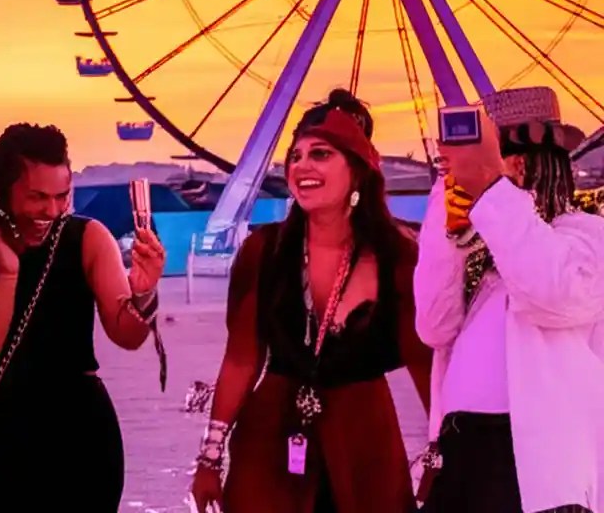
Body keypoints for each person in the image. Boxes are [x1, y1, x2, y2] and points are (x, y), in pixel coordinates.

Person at [189, 89, 432, 513]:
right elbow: (241, 360)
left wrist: (439, 455)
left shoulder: (400, 258)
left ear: (357, 172)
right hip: (270, 445)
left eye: (320, 154)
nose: (302, 166)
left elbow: (426, 365)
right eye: (296, 156)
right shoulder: (263, 252)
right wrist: (210, 457)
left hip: (365, 442)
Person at [0, 122, 167, 512]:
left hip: (82, 440)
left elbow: (126, 333)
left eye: (61, 196)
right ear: (0, 190)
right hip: (2, 441)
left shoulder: (87, 239)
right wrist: (7, 275)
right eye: (37, 197)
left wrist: (145, 291)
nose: (51, 211)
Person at [416, 86, 604, 513]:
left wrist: (491, 192)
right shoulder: (479, 257)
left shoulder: (587, 238)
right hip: (463, 455)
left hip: (534, 469)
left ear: (522, 163)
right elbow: (433, 326)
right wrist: (447, 227)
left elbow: (554, 295)